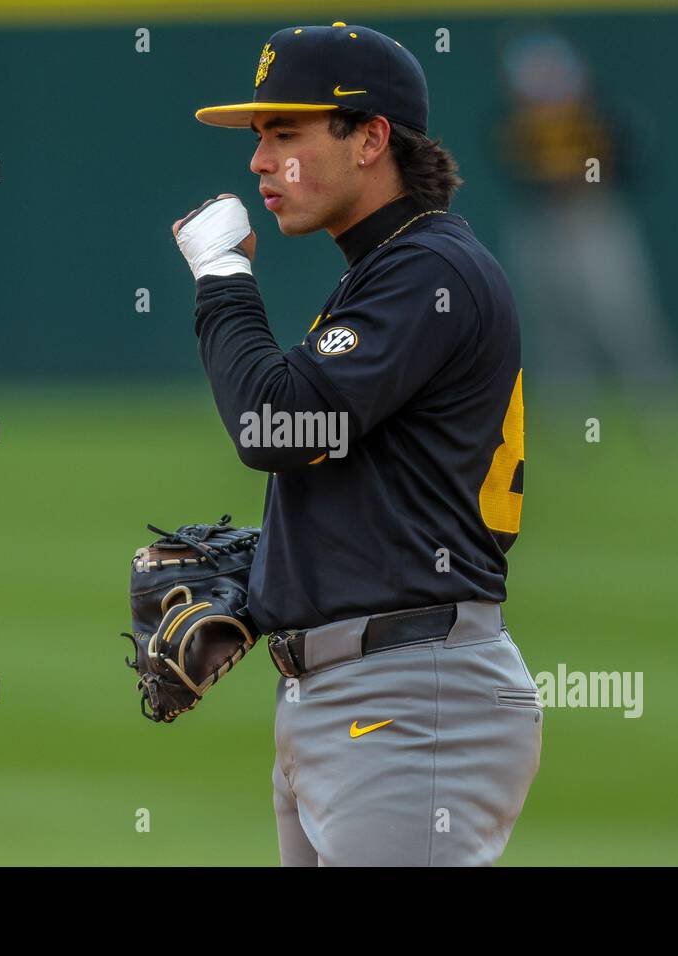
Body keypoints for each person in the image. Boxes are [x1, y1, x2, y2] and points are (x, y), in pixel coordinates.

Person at [172, 22, 542, 867]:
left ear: (371, 137)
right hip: (359, 693)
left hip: (413, 700)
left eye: (286, 132)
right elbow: (378, 481)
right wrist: (270, 588)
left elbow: (277, 422)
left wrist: (225, 279)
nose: (261, 161)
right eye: (260, 137)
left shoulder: (431, 272)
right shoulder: (391, 273)